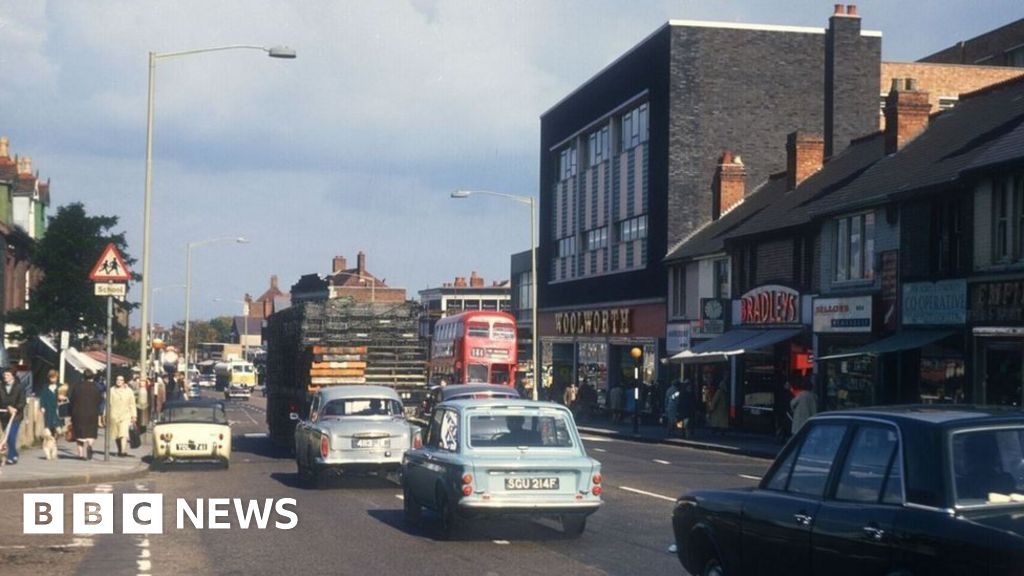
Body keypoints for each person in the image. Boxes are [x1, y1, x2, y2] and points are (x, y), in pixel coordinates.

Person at [70, 374, 102, 459]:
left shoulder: (77, 387)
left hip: (78, 413)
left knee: (79, 434)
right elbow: (100, 400)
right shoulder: (96, 388)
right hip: (92, 413)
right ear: (92, 377)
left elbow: (72, 400)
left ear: (83, 377)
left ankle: (80, 454)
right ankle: (90, 446)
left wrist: (71, 413)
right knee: (91, 433)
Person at [0, 368, 26, 465]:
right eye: (4, 375)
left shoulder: (19, 387)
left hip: (16, 416)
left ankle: (10, 457)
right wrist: (7, 407)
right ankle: (14, 453)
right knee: (6, 436)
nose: (5, 377)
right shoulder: (1, 386)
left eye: (7, 375)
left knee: (11, 435)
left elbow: (22, 401)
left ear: (12, 376)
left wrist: (16, 408)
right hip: (4, 415)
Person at [108, 375, 137, 457]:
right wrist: (104, 415)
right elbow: (108, 404)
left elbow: (132, 404)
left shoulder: (129, 391)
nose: (119, 381)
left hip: (125, 415)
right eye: (117, 379)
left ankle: (123, 451)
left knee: (123, 433)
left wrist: (134, 415)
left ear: (124, 381)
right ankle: (119, 450)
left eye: (121, 380)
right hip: (114, 415)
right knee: (117, 435)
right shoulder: (111, 390)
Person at [38, 369, 62, 441]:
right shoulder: (45, 387)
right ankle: (51, 440)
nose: (53, 379)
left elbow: (65, 396)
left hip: (57, 408)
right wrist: (42, 406)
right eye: (51, 377)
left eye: (54, 377)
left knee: (58, 427)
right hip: (48, 408)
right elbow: (42, 397)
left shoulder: (60, 386)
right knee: (48, 425)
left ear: (57, 377)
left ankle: (55, 438)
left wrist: (61, 400)